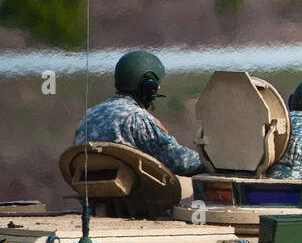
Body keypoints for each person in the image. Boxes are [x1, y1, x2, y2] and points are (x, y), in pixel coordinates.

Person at [74, 51, 205, 176]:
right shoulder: (136, 118)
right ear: (148, 85)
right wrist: (211, 162)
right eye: (156, 83)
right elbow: (176, 160)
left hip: (91, 197)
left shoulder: (89, 115)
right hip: (132, 196)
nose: (158, 88)